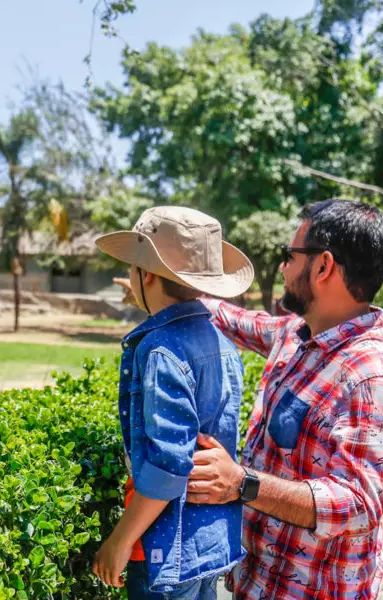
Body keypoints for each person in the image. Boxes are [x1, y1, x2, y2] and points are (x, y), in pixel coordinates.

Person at [116, 199, 383, 600]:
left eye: (289, 256)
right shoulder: (295, 335)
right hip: (256, 584)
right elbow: (226, 317)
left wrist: (243, 484)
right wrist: (162, 283)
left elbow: (358, 505)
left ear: (324, 266)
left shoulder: (377, 375)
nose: (282, 267)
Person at [92, 205, 254, 599]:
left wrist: (119, 540)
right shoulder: (223, 345)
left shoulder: (160, 349)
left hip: (165, 553)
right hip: (210, 545)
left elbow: (168, 468)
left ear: (145, 274)